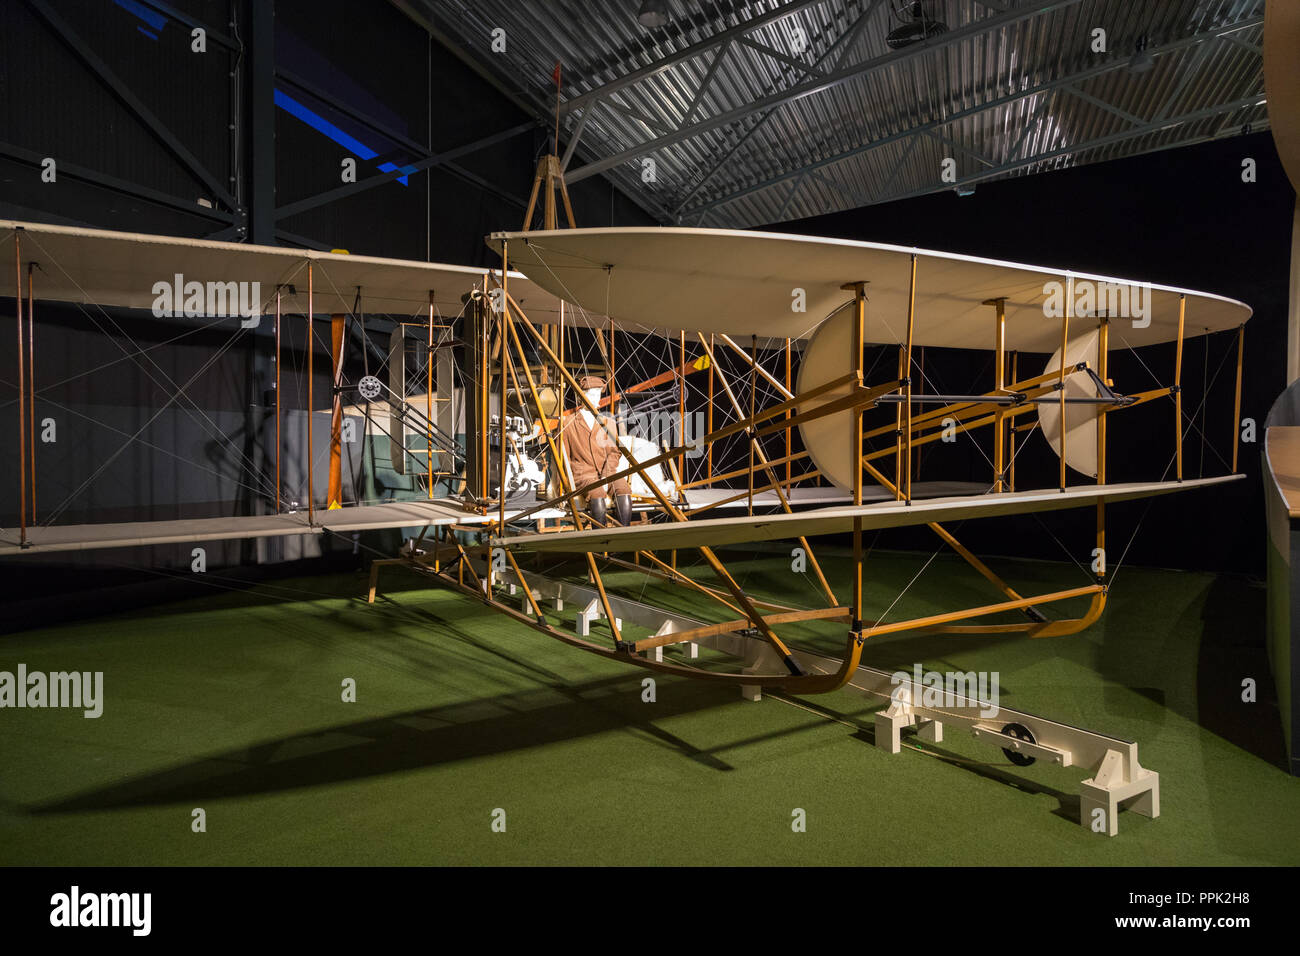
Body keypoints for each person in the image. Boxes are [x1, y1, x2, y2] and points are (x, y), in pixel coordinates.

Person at [564, 374, 632, 526]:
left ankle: (624, 534)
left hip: (608, 472)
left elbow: (614, 452)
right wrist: (566, 484)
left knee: (624, 490)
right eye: (591, 394)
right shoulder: (568, 423)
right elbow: (564, 457)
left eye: (598, 394)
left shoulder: (608, 422)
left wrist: (606, 476)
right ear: (581, 396)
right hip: (583, 474)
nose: (595, 399)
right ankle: (601, 538)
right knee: (597, 493)